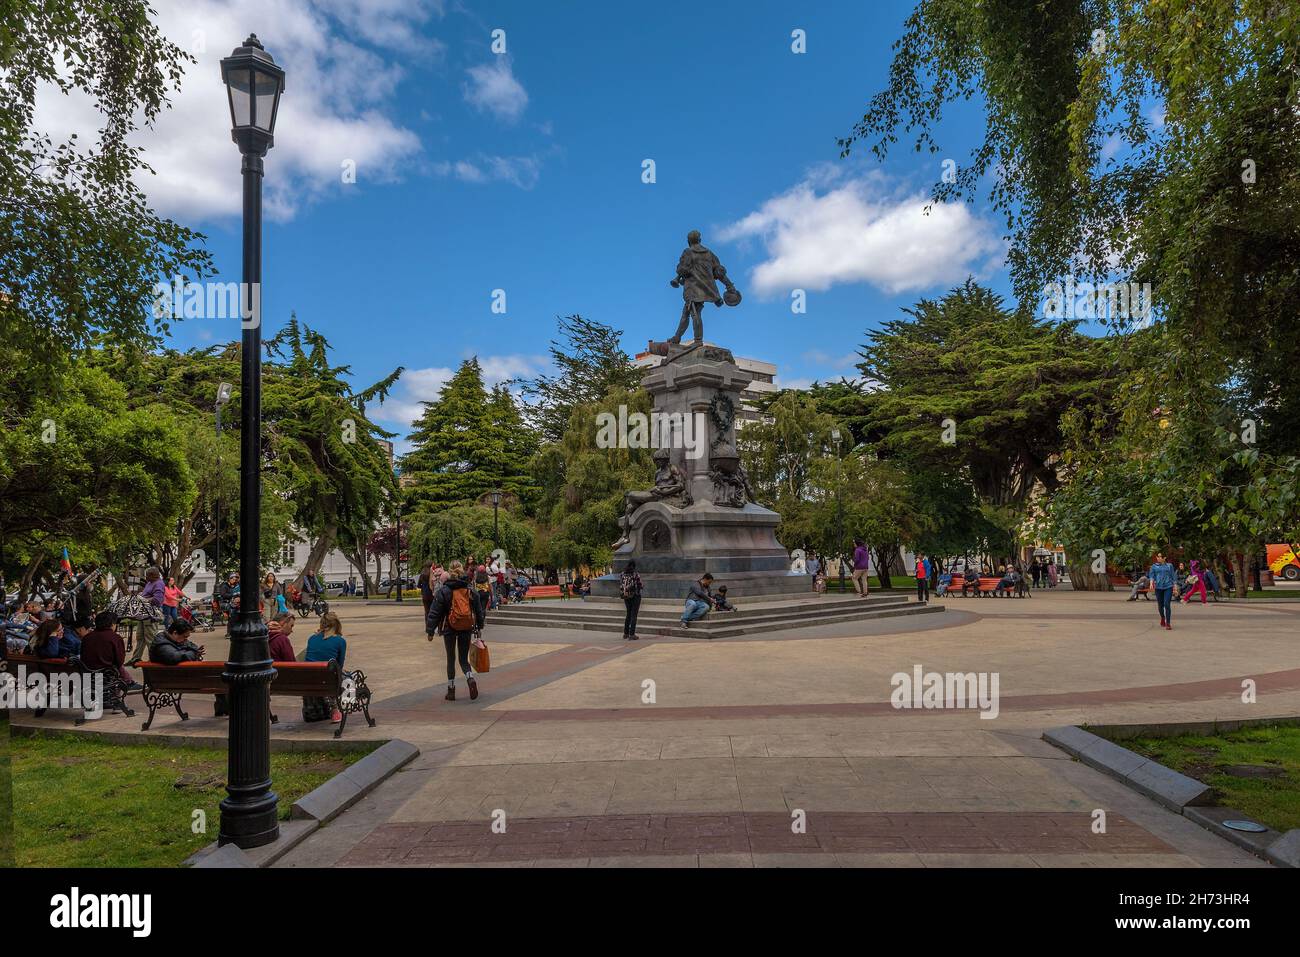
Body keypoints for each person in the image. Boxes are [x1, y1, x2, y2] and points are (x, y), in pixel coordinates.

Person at [426, 561, 485, 702]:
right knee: (463, 659)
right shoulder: (470, 590)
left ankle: (451, 690)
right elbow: (478, 610)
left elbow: (435, 612)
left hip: (449, 628)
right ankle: (470, 678)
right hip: (466, 627)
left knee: (451, 659)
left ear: (449, 573)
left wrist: (430, 630)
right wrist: (479, 627)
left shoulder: (444, 591)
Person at [305, 611, 348, 722]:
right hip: (328, 680)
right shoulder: (340, 641)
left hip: (308, 678)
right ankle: (341, 707)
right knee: (349, 677)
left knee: (325, 675)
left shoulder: (312, 638)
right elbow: (340, 664)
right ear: (337, 625)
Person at [80, 611, 140, 688]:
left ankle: (128, 681)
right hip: (107, 675)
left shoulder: (86, 637)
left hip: (88, 674)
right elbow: (120, 661)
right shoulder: (115, 638)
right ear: (112, 624)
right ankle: (127, 682)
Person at [1148, 552, 1177, 631]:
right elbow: (1151, 576)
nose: (1158, 558)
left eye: (1160, 557)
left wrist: (1175, 587)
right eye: (1157, 557)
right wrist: (1151, 583)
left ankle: (1168, 623)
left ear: (1164, 558)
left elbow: (1173, 577)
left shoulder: (1169, 566)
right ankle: (1162, 617)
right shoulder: (1154, 566)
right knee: (1160, 605)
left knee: (1167, 604)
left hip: (1168, 587)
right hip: (1158, 587)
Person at [619, 561, 644, 640]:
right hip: (635, 596)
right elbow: (640, 585)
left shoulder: (622, 574)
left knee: (628, 614)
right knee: (634, 615)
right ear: (634, 566)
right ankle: (632, 634)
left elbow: (621, 584)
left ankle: (625, 633)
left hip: (626, 596)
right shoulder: (635, 574)